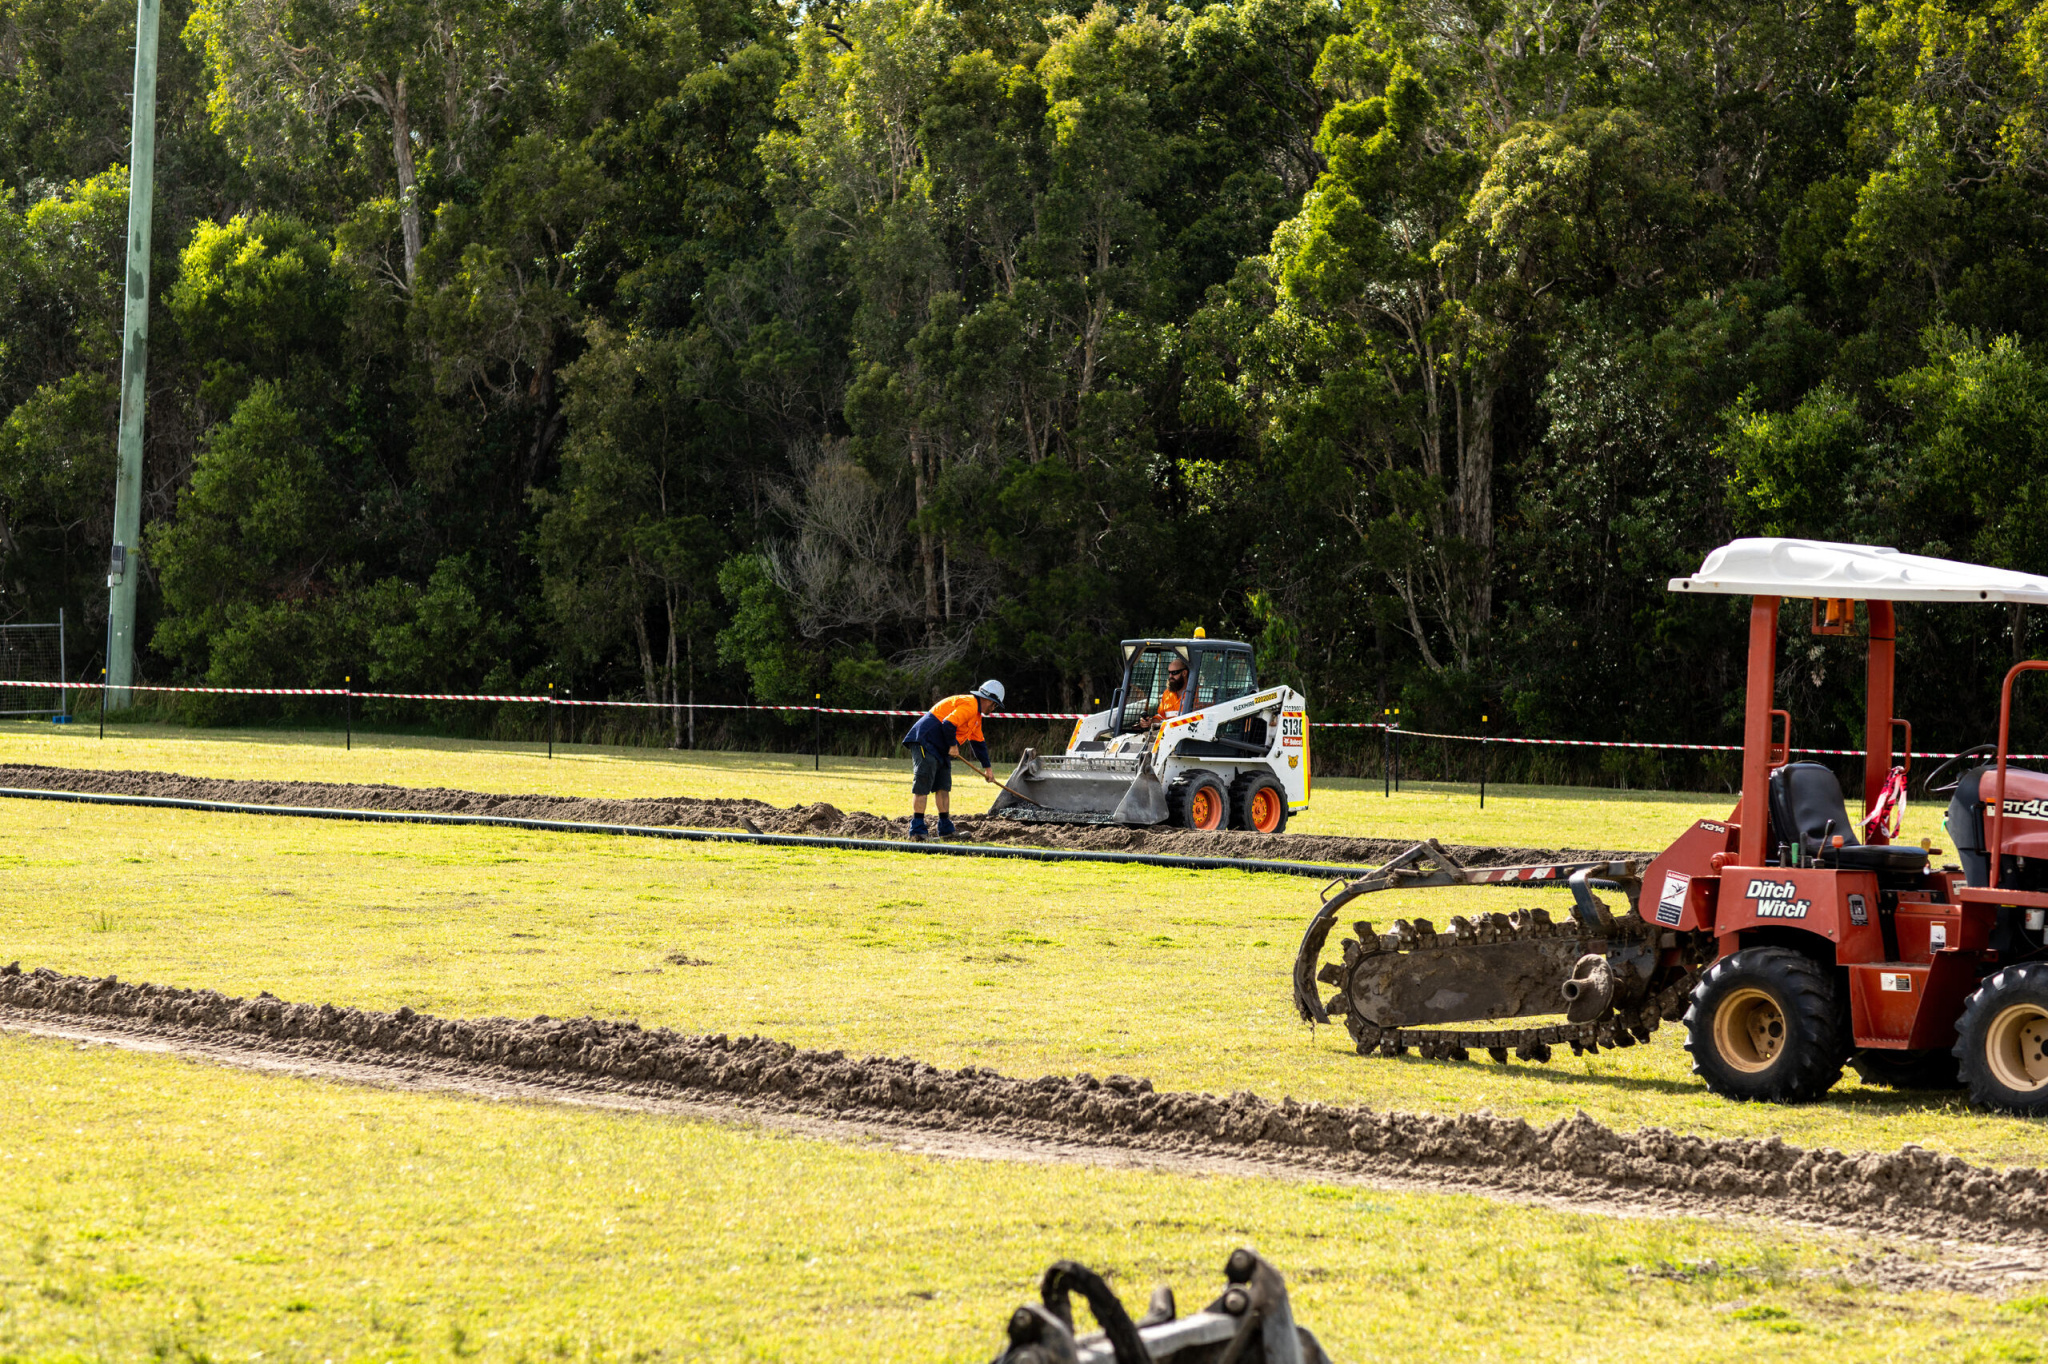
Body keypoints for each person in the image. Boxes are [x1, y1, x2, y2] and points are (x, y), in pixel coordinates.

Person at [902, 680, 1006, 838]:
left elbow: (978, 743)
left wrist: (988, 769)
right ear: (989, 700)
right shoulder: (970, 704)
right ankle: (917, 831)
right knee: (922, 786)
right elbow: (948, 724)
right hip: (925, 740)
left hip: (940, 747)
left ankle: (945, 829)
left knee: (943, 786)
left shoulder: (976, 717)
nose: (994, 708)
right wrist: (953, 745)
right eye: (995, 705)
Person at [1145, 658, 1190, 730]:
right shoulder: (1167, 693)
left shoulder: (1197, 694)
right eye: (1169, 672)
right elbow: (1160, 716)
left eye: (1174, 673)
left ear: (1184, 673)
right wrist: (1149, 723)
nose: (1170, 676)